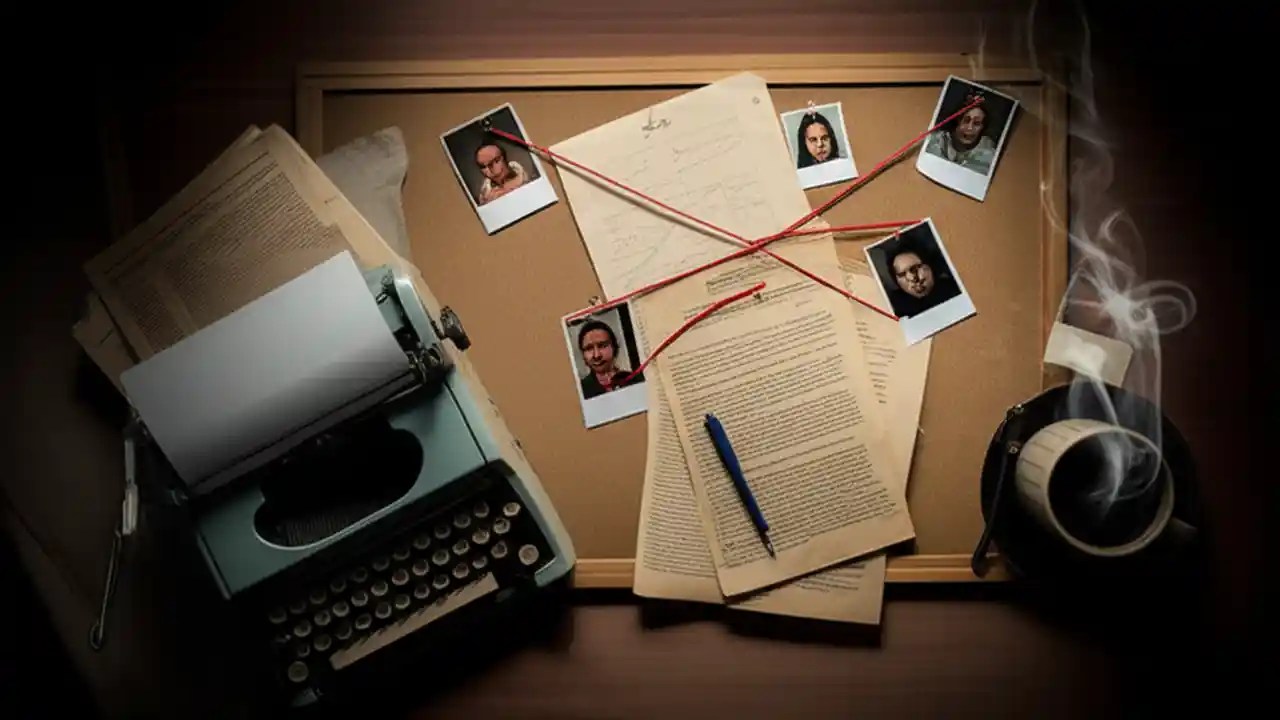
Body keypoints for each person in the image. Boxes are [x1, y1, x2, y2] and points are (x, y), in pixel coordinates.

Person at [883, 237, 962, 318]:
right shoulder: (896, 308)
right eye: (902, 274)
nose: (911, 278)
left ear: (930, 265)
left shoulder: (955, 288)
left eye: (915, 268)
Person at [924, 99, 997, 175]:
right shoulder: (935, 141)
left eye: (977, 123)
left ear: (983, 128)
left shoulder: (989, 156)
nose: (970, 128)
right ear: (957, 121)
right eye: (966, 120)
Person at [576, 319, 643, 399]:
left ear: (614, 347)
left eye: (603, 346)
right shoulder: (581, 392)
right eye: (589, 348)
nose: (597, 355)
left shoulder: (635, 381)